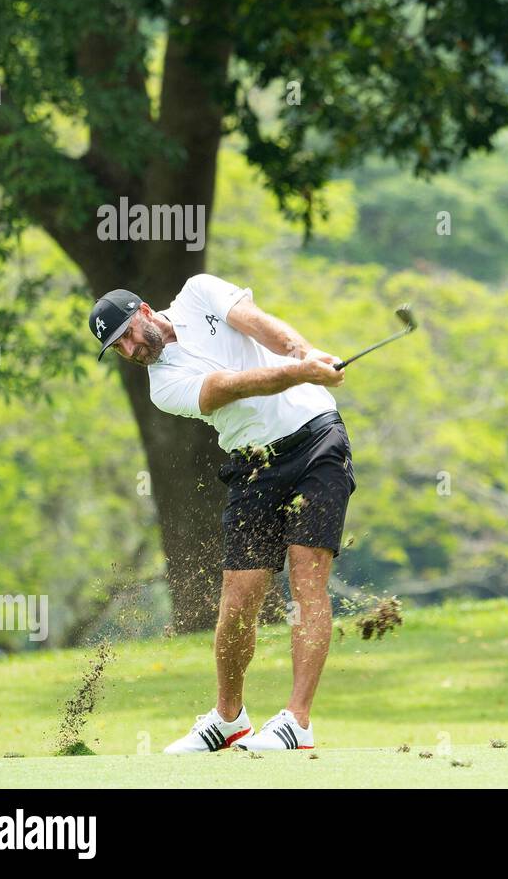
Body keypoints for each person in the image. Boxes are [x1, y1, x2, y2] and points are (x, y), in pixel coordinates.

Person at [88, 273, 355, 753]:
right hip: (254, 464)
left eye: (127, 334)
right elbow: (227, 387)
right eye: (118, 348)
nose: (129, 350)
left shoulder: (198, 292)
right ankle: (229, 719)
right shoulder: (162, 387)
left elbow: (259, 325)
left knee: (307, 577)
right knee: (238, 596)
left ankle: (298, 721)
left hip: (317, 437)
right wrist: (300, 371)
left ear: (144, 310)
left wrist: (305, 353)